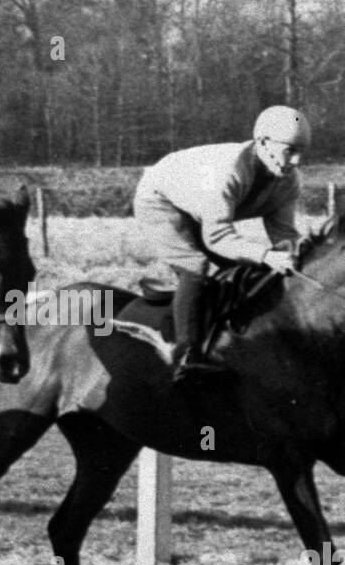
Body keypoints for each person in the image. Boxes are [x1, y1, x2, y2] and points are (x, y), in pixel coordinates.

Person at [133, 105, 312, 383]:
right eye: (290, 150)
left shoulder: (288, 180)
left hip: (199, 207)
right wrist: (266, 255)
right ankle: (186, 355)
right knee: (196, 267)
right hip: (161, 201)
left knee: (243, 271)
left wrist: (297, 259)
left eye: (302, 151)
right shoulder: (228, 172)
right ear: (263, 143)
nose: (297, 160)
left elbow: (284, 234)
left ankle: (231, 339)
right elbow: (216, 237)